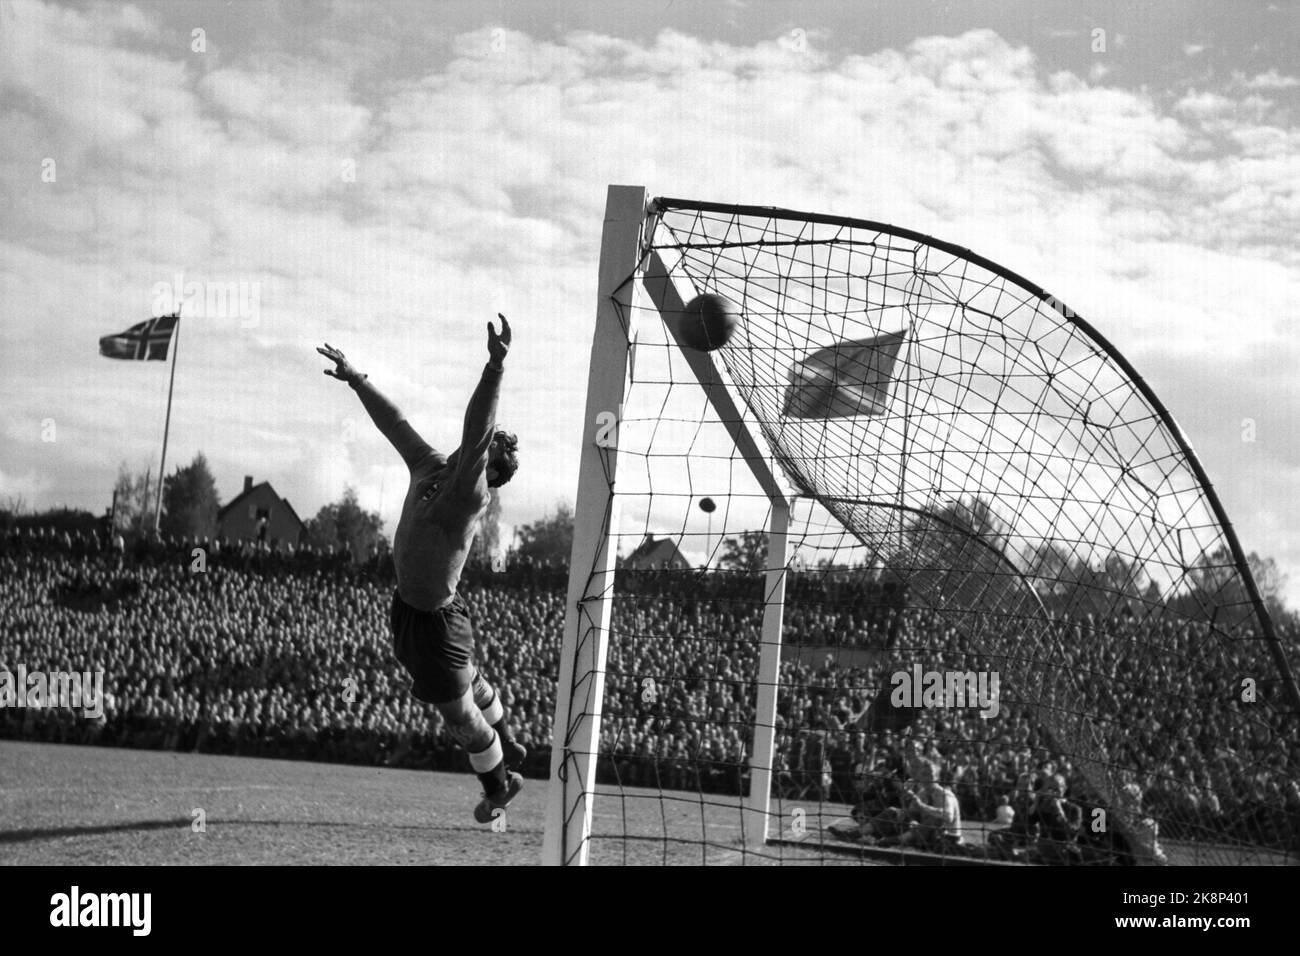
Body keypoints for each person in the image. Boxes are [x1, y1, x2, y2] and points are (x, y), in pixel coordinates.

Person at [317, 315, 524, 823]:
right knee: (466, 684)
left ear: (490, 472)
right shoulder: (432, 466)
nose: (481, 444)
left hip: (434, 623)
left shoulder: (469, 493)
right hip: (413, 611)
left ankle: (497, 785)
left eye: (490, 449)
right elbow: (397, 424)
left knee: (458, 715)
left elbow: (477, 429)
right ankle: (511, 742)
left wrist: (495, 367)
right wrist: (356, 378)